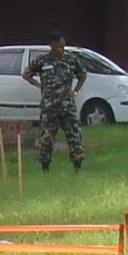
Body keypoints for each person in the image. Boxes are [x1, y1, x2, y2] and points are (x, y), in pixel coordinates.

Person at [24, 33, 86, 170]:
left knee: (74, 136)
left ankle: (78, 164)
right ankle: (45, 166)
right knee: (46, 138)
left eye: (63, 47)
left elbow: (82, 75)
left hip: (67, 105)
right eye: (58, 47)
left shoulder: (70, 60)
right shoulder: (42, 60)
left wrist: (75, 91)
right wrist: (38, 84)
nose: (61, 50)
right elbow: (26, 74)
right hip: (49, 107)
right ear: (51, 45)